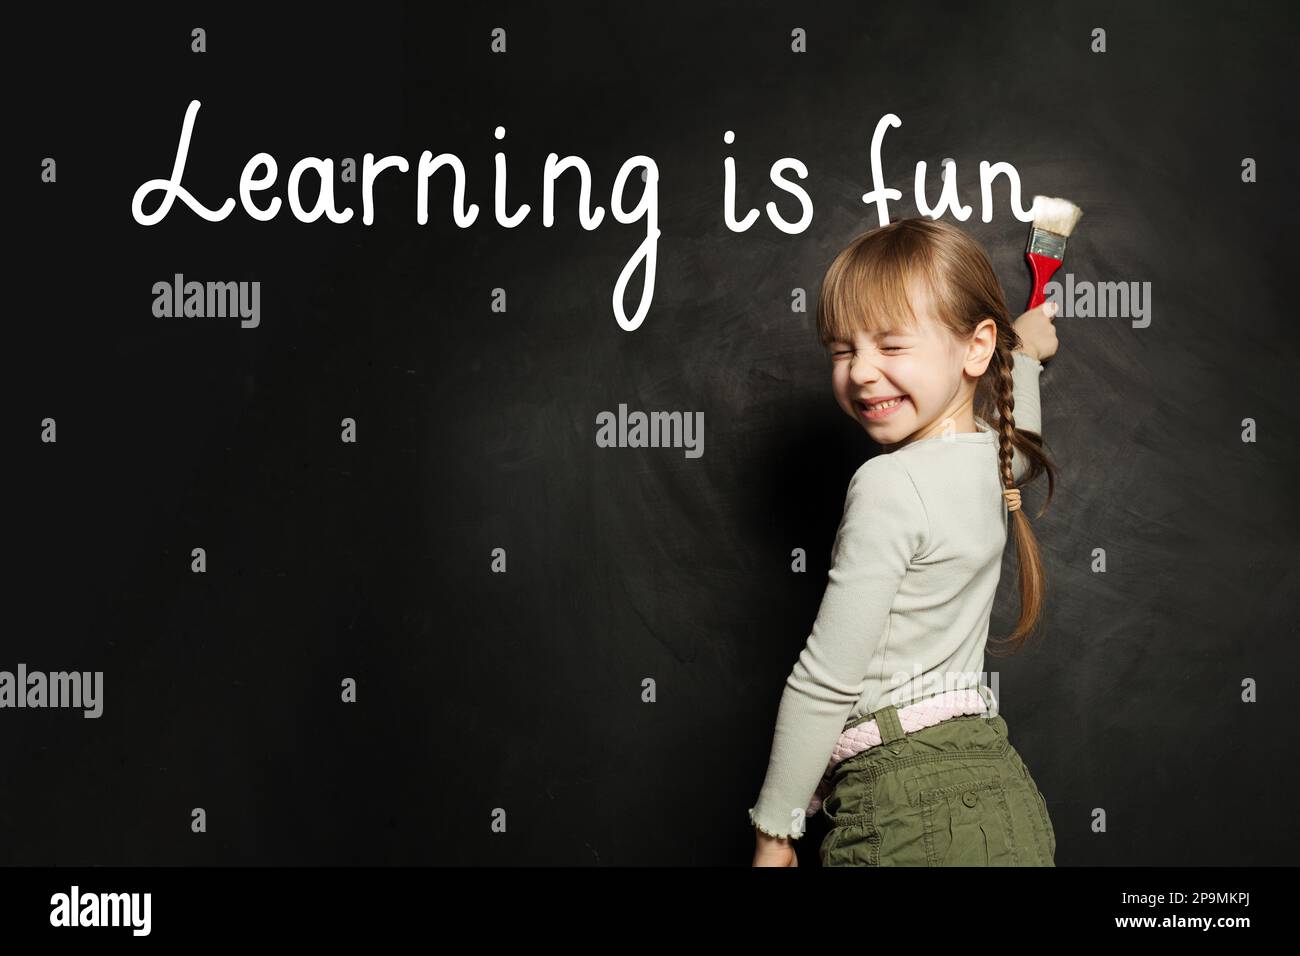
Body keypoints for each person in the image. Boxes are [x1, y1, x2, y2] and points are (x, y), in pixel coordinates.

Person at [749, 217, 1060, 867]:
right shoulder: (990, 462)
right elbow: (1023, 453)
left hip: (905, 806)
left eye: (890, 346)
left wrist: (776, 831)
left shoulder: (888, 483)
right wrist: (1022, 359)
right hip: (1001, 797)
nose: (861, 372)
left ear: (976, 349)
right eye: (842, 350)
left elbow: (825, 680)